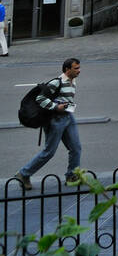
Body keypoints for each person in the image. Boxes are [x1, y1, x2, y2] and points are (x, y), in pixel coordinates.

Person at [13, 58, 83, 190]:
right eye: (76, 68)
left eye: (79, 68)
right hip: (55, 120)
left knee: (76, 148)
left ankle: (72, 176)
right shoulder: (57, 82)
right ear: (67, 70)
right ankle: (23, 174)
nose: (79, 71)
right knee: (49, 152)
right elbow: (40, 99)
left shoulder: (73, 80)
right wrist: (56, 107)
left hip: (68, 117)